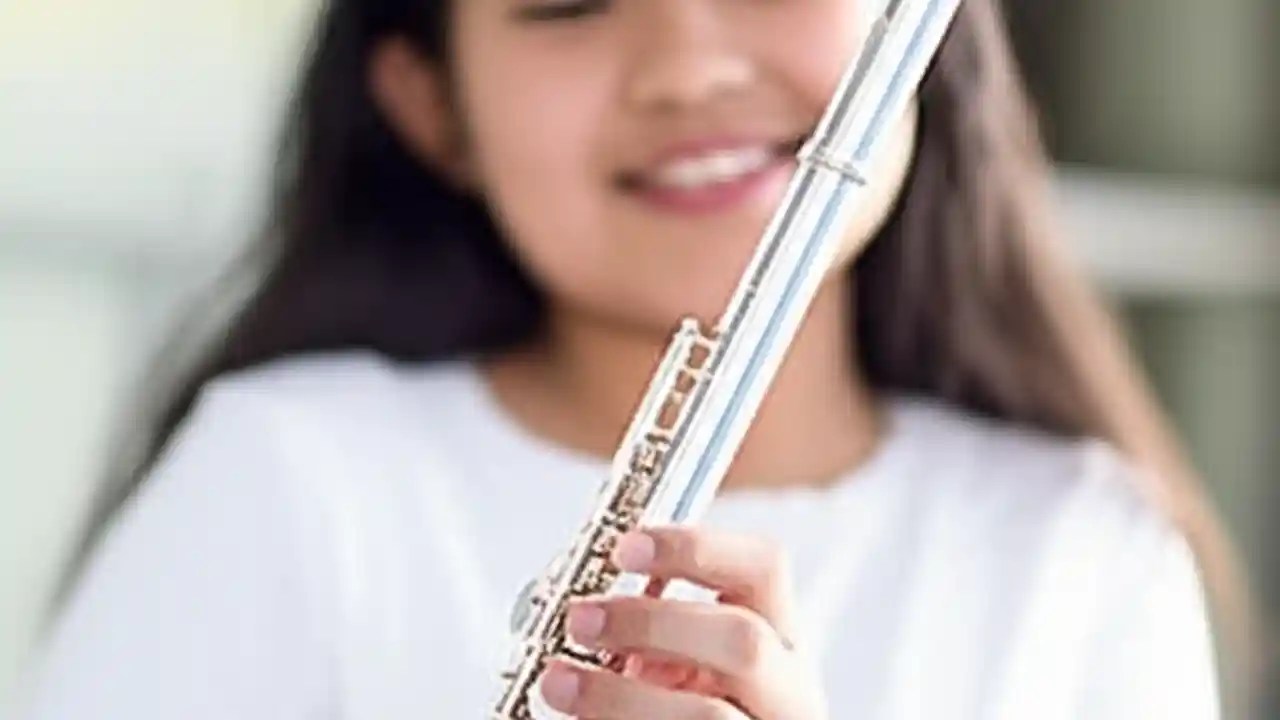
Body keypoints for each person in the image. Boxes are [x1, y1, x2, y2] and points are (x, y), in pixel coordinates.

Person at [18, 0, 1232, 717]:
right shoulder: (283, 475)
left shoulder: (1080, 546)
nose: (688, 65)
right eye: (565, 0)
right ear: (429, 103)